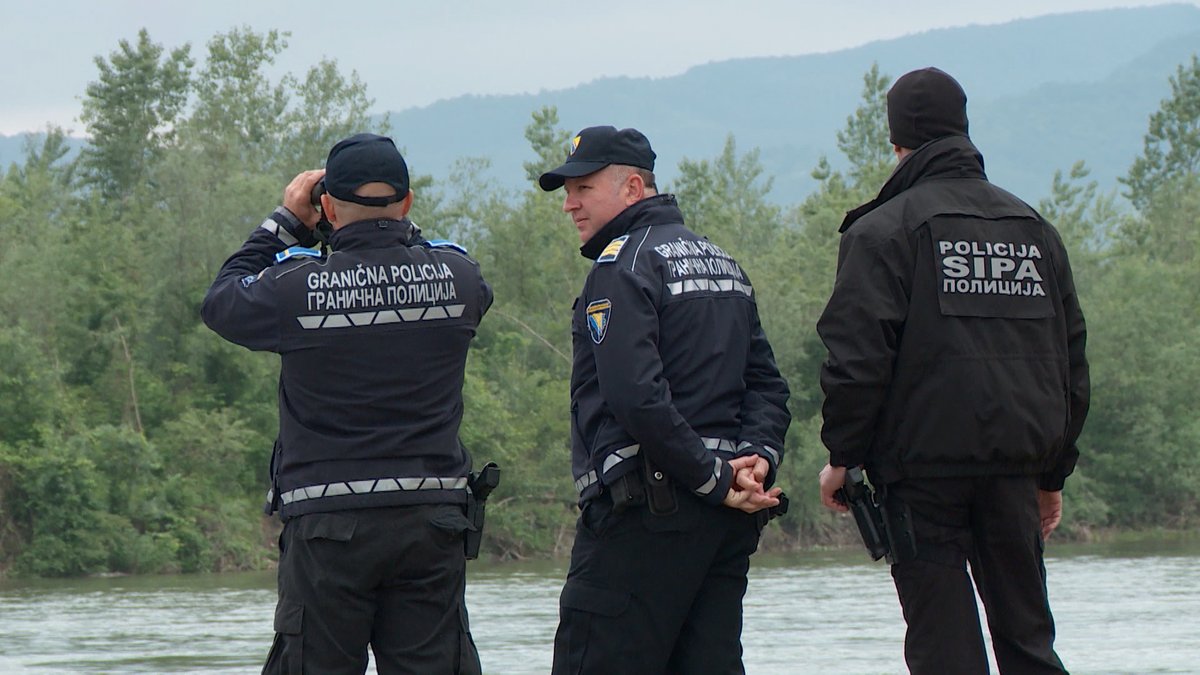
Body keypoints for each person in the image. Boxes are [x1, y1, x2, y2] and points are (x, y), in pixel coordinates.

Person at [816, 68, 1089, 674]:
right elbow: (1071, 363)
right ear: (963, 131)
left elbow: (856, 363)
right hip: (1014, 472)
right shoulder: (1033, 229)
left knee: (946, 649)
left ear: (896, 145)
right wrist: (1051, 473)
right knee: (1029, 645)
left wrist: (844, 456)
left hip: (919, 477)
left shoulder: (882, 230)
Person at [201, 133, 492, 675]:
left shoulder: (295, 287)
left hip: (327, 530)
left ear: (328, 207)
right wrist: (394, 233)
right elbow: (433, 264)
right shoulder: (459, 278)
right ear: (407, 204)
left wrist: (287, 221)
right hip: (431, 523)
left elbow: (221, 302)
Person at [538, 125, 792, 674]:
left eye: (582, 188)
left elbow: (635, 396)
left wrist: (715, 478)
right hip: (722, 525)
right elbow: (768, 387)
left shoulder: (621, 264)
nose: (569, 204)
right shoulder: (722, 263)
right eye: (567, 190)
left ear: (632, 188)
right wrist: (756, 461)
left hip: (645, 518)